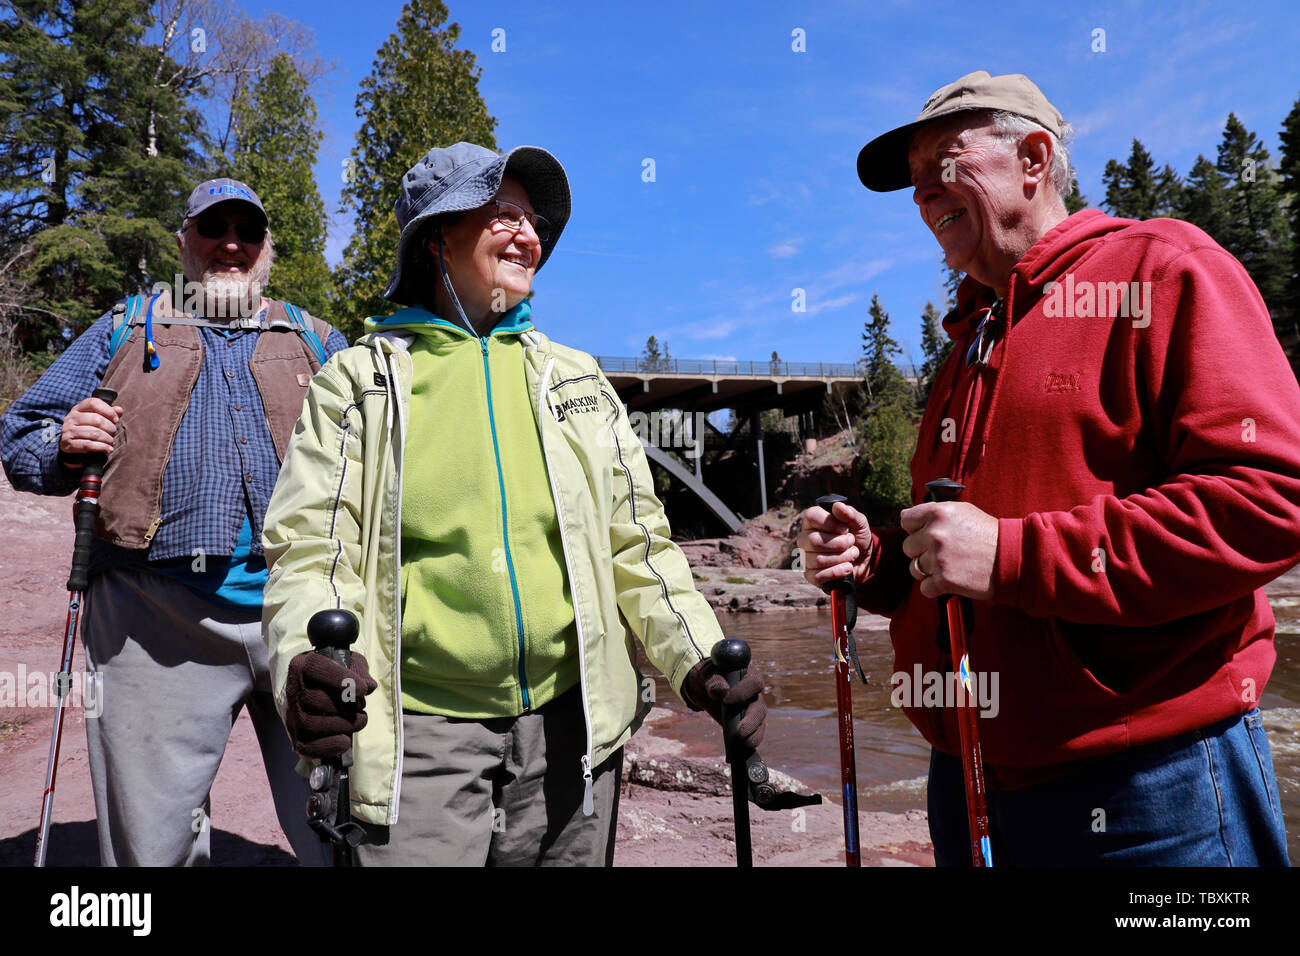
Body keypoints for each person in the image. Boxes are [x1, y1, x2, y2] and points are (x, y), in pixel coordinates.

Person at [799, 71, 1298, 866]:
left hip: (1148, 786)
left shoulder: (1161, 268)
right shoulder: (970, 339)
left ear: (1034, 158)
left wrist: (1014, 557)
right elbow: (964, 546)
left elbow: (1271, 501)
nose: (923, 196)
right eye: (915, 186)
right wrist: (876, 563)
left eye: (945, 166)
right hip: (967, 782)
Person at [260, 143, 768, 866]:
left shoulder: (579, 380)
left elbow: (640, 546)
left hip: (575, 728)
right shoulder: (357, 382)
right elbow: (313, 550)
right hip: (420, 732)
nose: (527, 233)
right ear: (436, 236)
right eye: (502, 214)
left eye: (533, 221)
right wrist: (307, 663)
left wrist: (697, 655)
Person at [1, 178, 348, 866]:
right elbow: (21, 436)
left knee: (344, 824)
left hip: (306, 615)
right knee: (152, 845)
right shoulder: (125, 326)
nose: (230, 244)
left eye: (246, 232)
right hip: (152, 620)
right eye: (212, 228)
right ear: (183, 241)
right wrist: (65, 443)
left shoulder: (316, 338)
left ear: (266, 248)